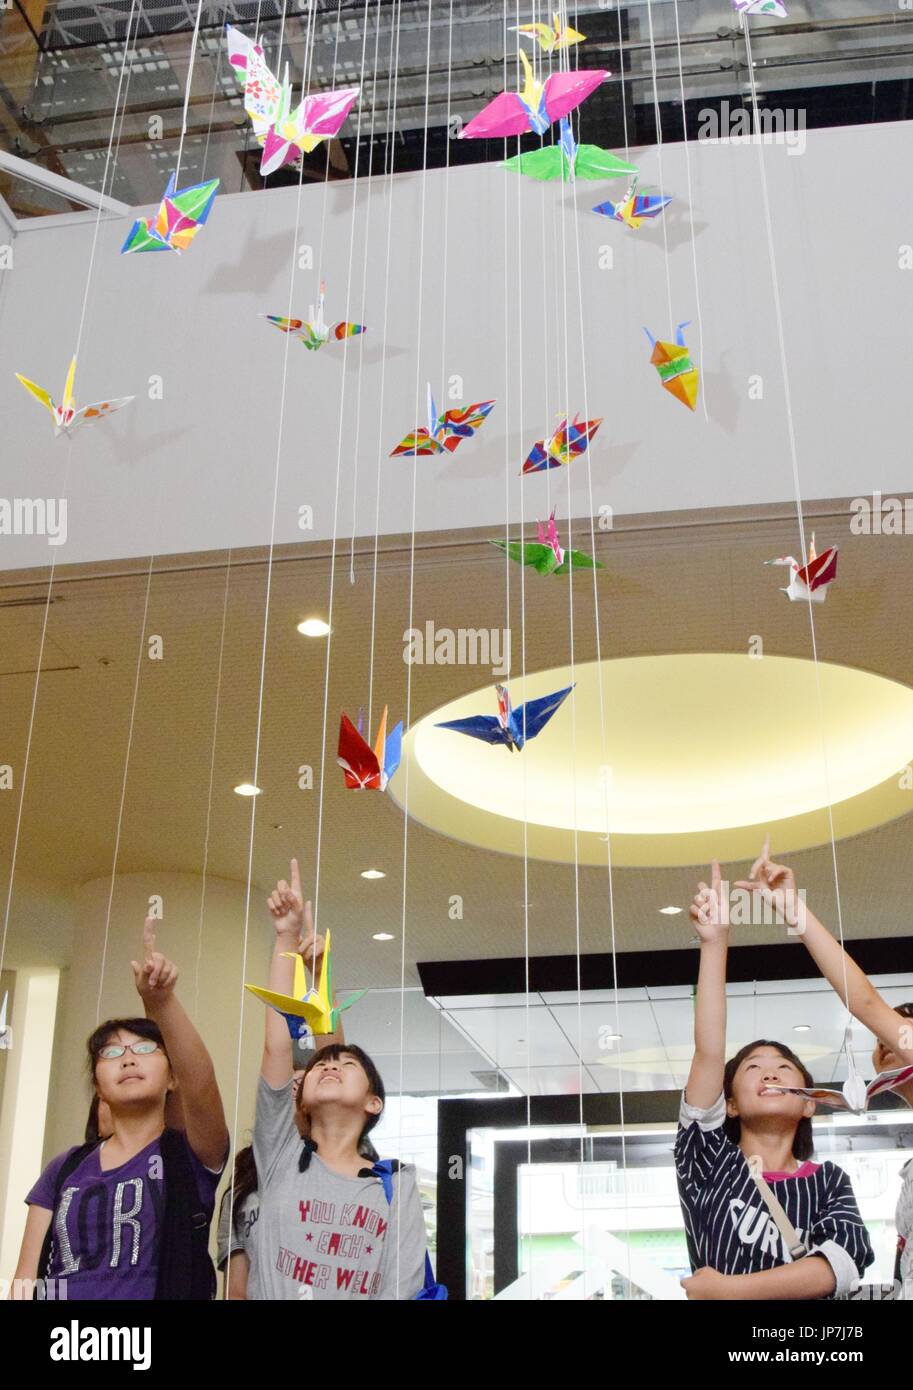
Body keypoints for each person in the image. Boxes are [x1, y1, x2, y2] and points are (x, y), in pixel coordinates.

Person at [676, 861, 874, 1299]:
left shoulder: (829, 1181)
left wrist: (727, 1291)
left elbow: (836, 1269)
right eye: (751, 1067)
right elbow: (709, 1050)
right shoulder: (707, 1160)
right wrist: (716, 942)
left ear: (808, 1102)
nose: (769, 1070)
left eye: (784, 1066)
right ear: (729, 1104)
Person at [12, 917, 228, 1300]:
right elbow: (27, 1280)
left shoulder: (187, 1153)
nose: (128, 1059)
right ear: (99, 1086)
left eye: (144, 1049)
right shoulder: (65, 1168)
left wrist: (160, 1001)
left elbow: (202, 1084)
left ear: (171, 1077)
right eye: (111, 1053)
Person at [734, 839, 913, 1300]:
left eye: (895, 1033)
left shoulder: (828, 1181)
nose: (885, 1043)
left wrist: (795, 911)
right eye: (880, 1041)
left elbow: (866, 1002)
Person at [250, 858, 429, 1300]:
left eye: (349, 1067)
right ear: (301, 1097)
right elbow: (279, 1045)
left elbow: (401, 1288)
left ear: (374, 1103)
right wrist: (286, 937)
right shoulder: (281, 1156)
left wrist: (320, 972)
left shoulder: (395, 1185)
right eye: (321, 1068)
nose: (330, 1066)